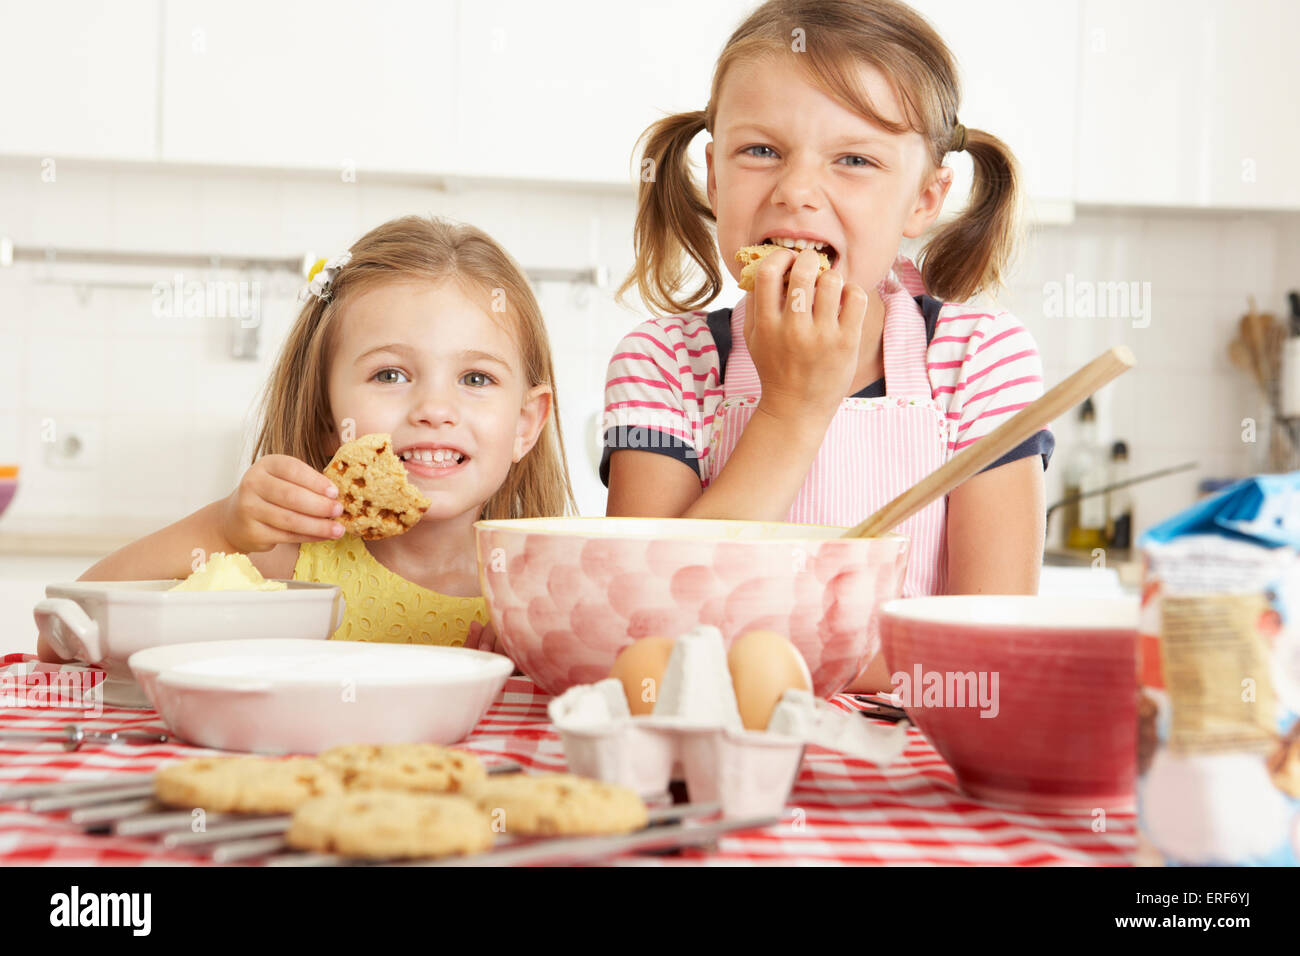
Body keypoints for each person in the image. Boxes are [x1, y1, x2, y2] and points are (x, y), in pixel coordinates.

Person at [601, 0, 1053, 689]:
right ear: (715, 177)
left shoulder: (978, 359)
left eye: (853, 159)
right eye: (761, 151)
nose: (797, 191)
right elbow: (645, 630)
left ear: (925, 199)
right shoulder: (664, 363)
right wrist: (792, 409)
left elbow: (986, 652)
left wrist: (769, 669)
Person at [46, 215, 575, 658]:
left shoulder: (552, 593)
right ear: (327, 418)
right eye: (390, 375)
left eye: (475, 379)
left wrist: (544, 672)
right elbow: (64, 631)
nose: (435, 410)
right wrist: (224, 529)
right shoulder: (287, 565)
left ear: (526, 424)